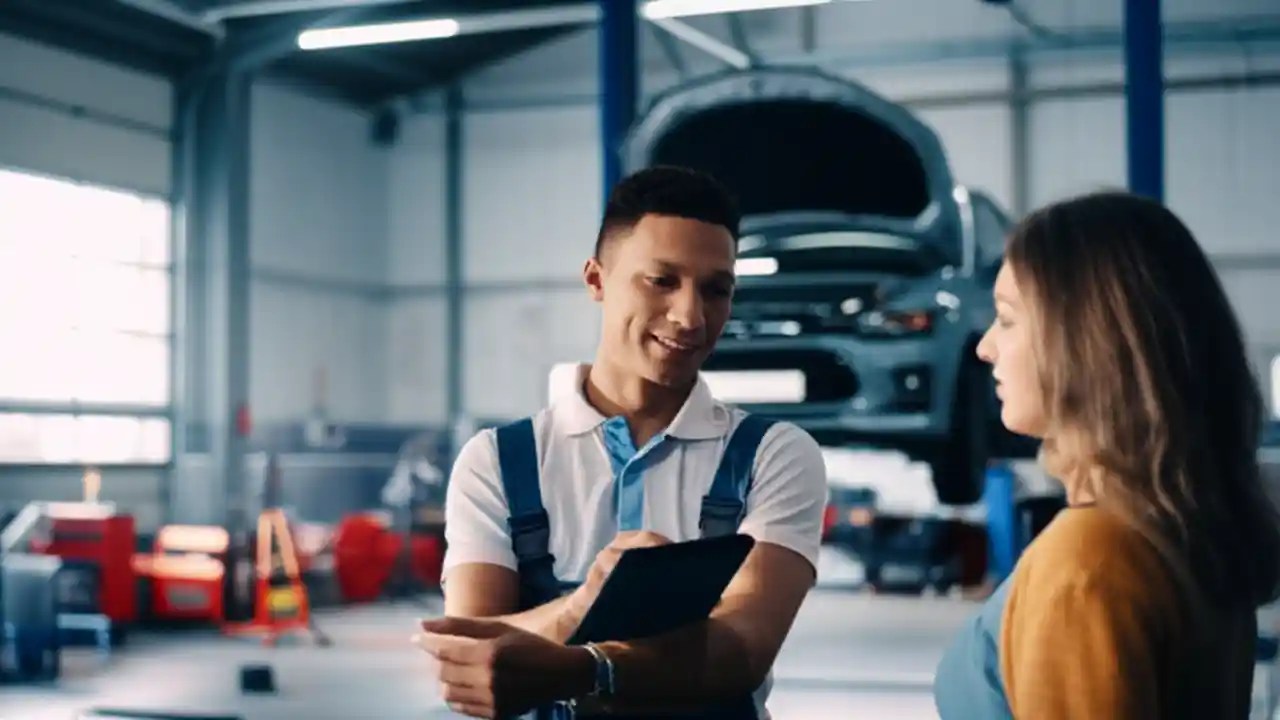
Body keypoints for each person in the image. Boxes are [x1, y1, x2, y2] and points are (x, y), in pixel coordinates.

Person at [415, 166, 828, 719]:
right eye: (661, 280)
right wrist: (585, 605)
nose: (690, 316)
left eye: (716, 289)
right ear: (596, 280)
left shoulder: (772, 455)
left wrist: (580, 664)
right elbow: (468, 654)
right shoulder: (496, 461)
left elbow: (743, 648)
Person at [933, 191, 1280, 719]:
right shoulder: (1183, 536)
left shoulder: (1088, 562)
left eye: (1006, 319)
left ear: (1082, 342)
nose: (984, 348)